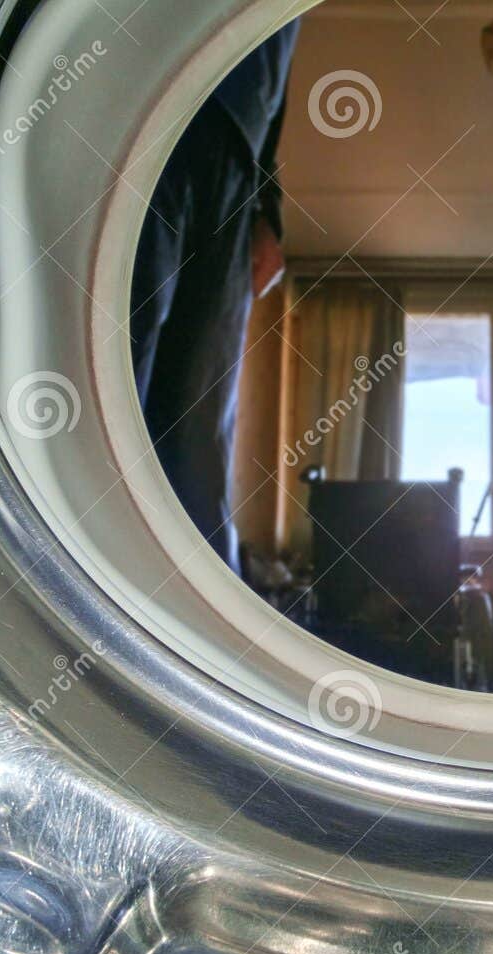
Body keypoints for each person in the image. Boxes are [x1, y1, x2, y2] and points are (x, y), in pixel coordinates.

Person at [130, 24, 300, 571]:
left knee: (198, 435)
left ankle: (188, 626)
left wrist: (267, 207)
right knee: (110, 364)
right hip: (137, 91)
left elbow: (278, 25)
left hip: (236, 151)